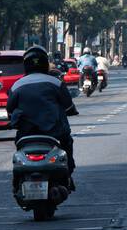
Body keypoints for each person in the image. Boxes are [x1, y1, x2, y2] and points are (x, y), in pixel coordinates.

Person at [7, 46, 78, 180]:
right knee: (67, 141)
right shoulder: (56, 83)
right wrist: (71, 111)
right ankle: (67, 173)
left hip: (26, 133)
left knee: (18, 148)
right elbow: (68, 107)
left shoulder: (16, 85)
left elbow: (10, 110)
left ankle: (18, 179)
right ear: (46, 63)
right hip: (53, 132)